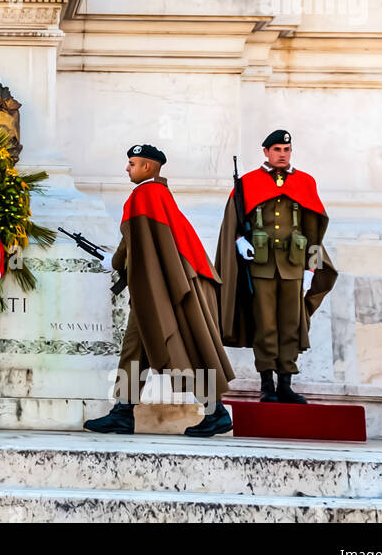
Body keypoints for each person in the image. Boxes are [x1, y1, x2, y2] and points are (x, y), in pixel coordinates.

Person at [85, 144, 235, 437]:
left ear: (149, 168)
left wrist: (113, 262)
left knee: (188, 346)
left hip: (168, 290)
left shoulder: (144, 195)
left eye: (132, 163)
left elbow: (133, 241)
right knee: (134, 350)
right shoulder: (159, 194)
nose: (127, 169)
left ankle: (215, 411)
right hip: (165, 287)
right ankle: (124, 412)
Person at [215, 130, 338, 404]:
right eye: (277, 149)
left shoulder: (304, 182)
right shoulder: (248, 183)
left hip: (294, 267)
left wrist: (311, 269)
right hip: (261, 266)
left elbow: (314, 231)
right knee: (266, 325)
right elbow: (233, 222)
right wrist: (238, 242)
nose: (282, 154)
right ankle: (267, 385)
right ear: (266, 152)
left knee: (291, 325)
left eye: (287, 149)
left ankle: (286, 384)